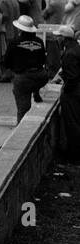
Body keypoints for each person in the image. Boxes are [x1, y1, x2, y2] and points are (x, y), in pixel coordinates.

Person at [2, 15, 49, 123]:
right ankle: (35, 92)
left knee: (23, 108)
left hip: (23, 78)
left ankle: (22, 129)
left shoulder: (15, 42)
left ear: (20, 29)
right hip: (41, 76)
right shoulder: (39, 41)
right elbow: (43, 60)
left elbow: (6, 62)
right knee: (32, 81)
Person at [56, 26, 80, 163]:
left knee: (73, 124)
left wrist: (66, 90)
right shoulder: (76, 48)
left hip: (74, 93)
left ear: (64, 38)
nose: (56, 39)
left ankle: (74, 156)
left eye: (58, 36)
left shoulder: (69, 53)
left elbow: (72, 76)